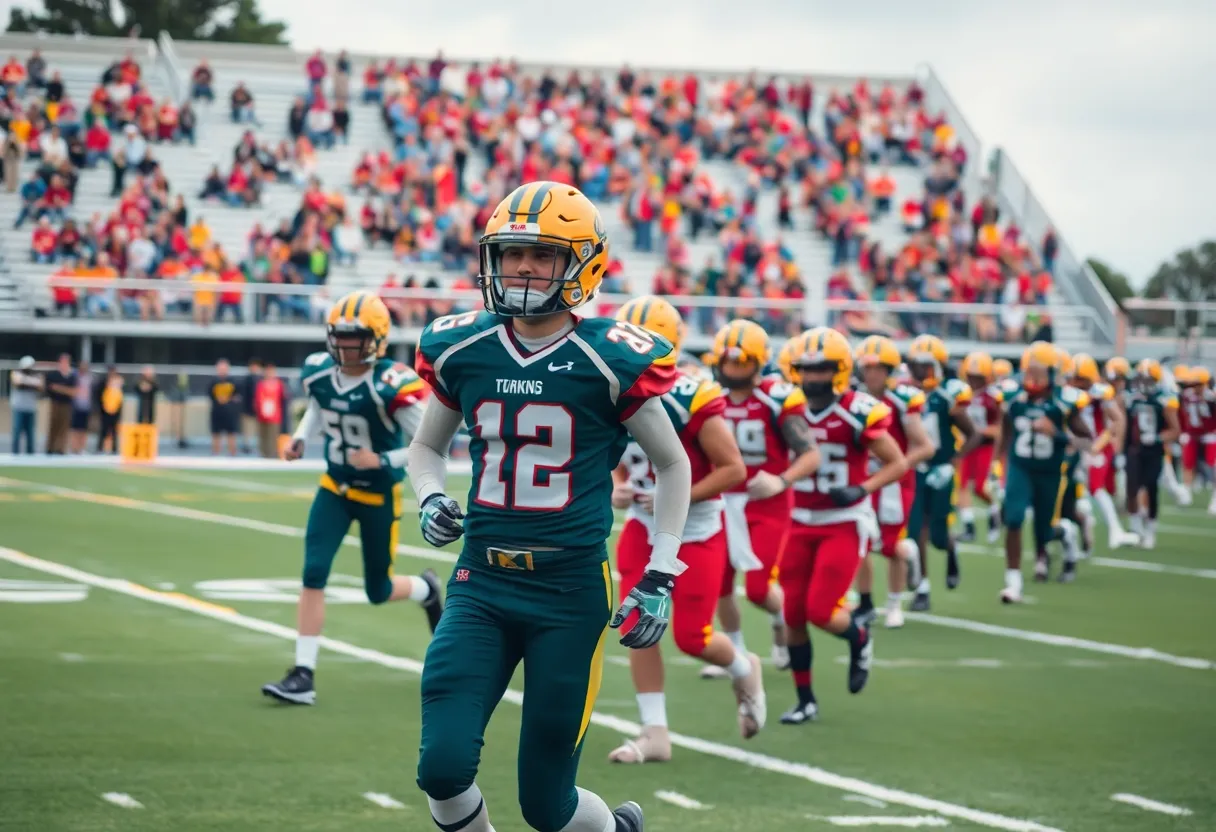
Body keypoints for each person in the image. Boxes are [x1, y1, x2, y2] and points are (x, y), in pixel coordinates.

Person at [407, 181, 686, 832]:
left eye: (542, 254)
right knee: (442, 768)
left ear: (582, 264)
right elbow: (425, 447)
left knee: (546, 803)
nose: (523, 268)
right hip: (481, 581)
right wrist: (429, 497)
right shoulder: (463, 347)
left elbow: (674, 463)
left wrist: (660, 574)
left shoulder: (609, 356)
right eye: (511, 254)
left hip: (569, 590)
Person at [263, 290, 443, 705]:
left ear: (377, 339)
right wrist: (301, 439)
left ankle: (425, 589)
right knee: (313, 571)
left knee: (377, 589)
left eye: (354, 337)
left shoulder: (390, 384)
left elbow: (430, 443)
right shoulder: (320, 373)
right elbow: (319, 405)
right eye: (339, 336)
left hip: (378, 494)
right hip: (335, 488)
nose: (344, 346)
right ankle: (302, 674)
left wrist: (381, 459)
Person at [606, 302, 761, 764]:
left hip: (695, 530)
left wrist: (680, 495)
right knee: (636, 625)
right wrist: (616, 484)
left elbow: (734, 468)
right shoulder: (608, 387)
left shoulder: (690, 395)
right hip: (641, 526)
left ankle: (741, 665)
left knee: (693, 638)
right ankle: (655, 732)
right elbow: (613, 452)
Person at [779, 327, 906, 725]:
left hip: (842, 521)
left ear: (839, 370)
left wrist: (862, 488)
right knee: (792, 615)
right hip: (797, 519)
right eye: (806, 369)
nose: (812, 377)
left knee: (820, 610)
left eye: (821, 369)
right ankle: (805, 699)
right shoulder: (788, 407)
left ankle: (859, 636)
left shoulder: (857, 409)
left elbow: (898, 462)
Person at [700, 319, 820, 675]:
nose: (732, 369)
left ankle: (781, 620)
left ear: (759, 361)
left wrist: (782, 480)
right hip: (721, 503)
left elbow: (811, 454)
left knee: (756, 588)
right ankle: (734, 652)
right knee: (719, 582)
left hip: (766, 503)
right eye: (728, 361)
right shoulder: (710, 398)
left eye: (741, 362)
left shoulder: (776, 398)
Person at [992, 342, 1091, 601]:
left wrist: (1057, 433)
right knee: (1012, 518)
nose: (1033, 377)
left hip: (1049, 472)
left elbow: (1086, 440)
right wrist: (996, 464)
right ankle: (1013, 582)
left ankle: (1065, 532)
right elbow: (1005, 431)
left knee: (1044, 531)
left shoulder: (1064, 401)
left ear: (1053, 373)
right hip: (1020, 467)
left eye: (1040, 371)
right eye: (1030, 371)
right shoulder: (1012, 395)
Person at [851, 335, 933, 629]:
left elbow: (925, 447)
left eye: (879, 367)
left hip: (894, 485)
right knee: (860, 540)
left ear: (889, 370)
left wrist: (896, 466)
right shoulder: (853, 398)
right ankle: (866, 602)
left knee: (888, 546)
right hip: (861, 479)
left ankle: (895, 602)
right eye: (868, 367)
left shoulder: (902, 399)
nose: (873, 373)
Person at [904, 336, 980, 611]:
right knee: (915, 530)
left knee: (937, 535)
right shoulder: (904, 394)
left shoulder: (947, 396)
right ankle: (922, 588)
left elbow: (973, 434)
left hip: (941, 469)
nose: (920, 372)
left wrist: (954, 461)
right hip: (915, 469)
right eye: (916, 366)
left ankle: (950, 549)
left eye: (926, 366)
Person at [1068, 353, 1137, 549]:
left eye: (1080, 378)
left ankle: (1115, 530)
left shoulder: (1100, 393)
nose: (1076, 382)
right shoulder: (1068, 393)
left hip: (1096, 447)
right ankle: (1086, 531)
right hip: (1077, 446)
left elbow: (1117, 419)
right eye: (1074, 377)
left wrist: (1104, 442)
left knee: (1096, 488)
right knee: (1077, 492)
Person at [1124, 359, 1181, 549]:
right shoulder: (1132, 399)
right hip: (1134, 450)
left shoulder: (1164, 400)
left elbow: (1175, 430)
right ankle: (1134, 529)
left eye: (1148, 380)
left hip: (1154, 452)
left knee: (1151, 488)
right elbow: (1125, 426)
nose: (1143, 384)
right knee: (1131, 489)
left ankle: (1150, 531)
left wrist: (1157, 438)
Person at [956, 352, 1004, 544]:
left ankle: (994, 510)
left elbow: (999, 428)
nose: (974, 381)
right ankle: (969, 527)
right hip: (969, 444)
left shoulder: (993, 397)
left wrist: (981, 431)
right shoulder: (961, 393)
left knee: (979, 488)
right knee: (962, 484)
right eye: (971, 376)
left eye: (978, 377)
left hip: (985, 445)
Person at [44, 354, 76, 454]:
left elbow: (74, 391)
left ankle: (61, 448)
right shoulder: (54, 375)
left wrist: (60, 388)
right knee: (53, 426)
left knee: (64, 427)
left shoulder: (71, 376)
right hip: (55, 403)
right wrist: (65, 390)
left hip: (66, 404)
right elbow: (50, 387)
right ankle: (50, 448)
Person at [10, 356, 42, 454]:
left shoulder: (37, 375)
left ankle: (30, 454)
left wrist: (27, 382)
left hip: (31, 408)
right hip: (18, 407)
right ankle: (15, 453)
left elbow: (40, 386)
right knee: (17, 431)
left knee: (30, 433)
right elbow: (18, 384)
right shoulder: (15, 373)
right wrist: (31, 383)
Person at [208, 359, 240, 456]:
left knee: (231, 434)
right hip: (217, 412)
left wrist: (229, 399)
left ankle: (233, 454)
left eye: (224, 368)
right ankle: (215, 454)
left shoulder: (233, 381)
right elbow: (210, 395)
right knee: (216, 433)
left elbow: (238, 396)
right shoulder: (213, 382)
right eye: (220, 368)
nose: (222, 370)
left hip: (229, 412)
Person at [68, 361, 94, 454]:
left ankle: (81, 448)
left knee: (84, 429)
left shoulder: (90, 379)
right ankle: (73, 448)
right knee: (75, 429)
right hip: (76, 406)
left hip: (86, 407)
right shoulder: (75, 377)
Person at [97, 366, 123, 453]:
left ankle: (114, 449)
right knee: (103, 430)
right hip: (105, 410)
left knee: (114, 431)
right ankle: (100, 448)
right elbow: (100, 396)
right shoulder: (103, 383)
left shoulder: (118, 383)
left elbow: (120, 398)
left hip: (115, 410)